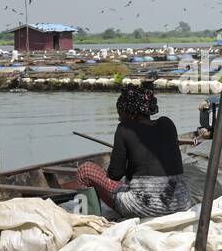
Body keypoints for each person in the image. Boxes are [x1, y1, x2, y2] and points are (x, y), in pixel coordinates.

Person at [75, 83, 191, 218]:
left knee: (85, 170)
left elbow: (115, 175)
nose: (119, 118)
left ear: (132, 113)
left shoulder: (124, 129)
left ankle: (84, 218)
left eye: (120, 113)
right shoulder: (167, 123)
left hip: (146, 207)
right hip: (181, 203)